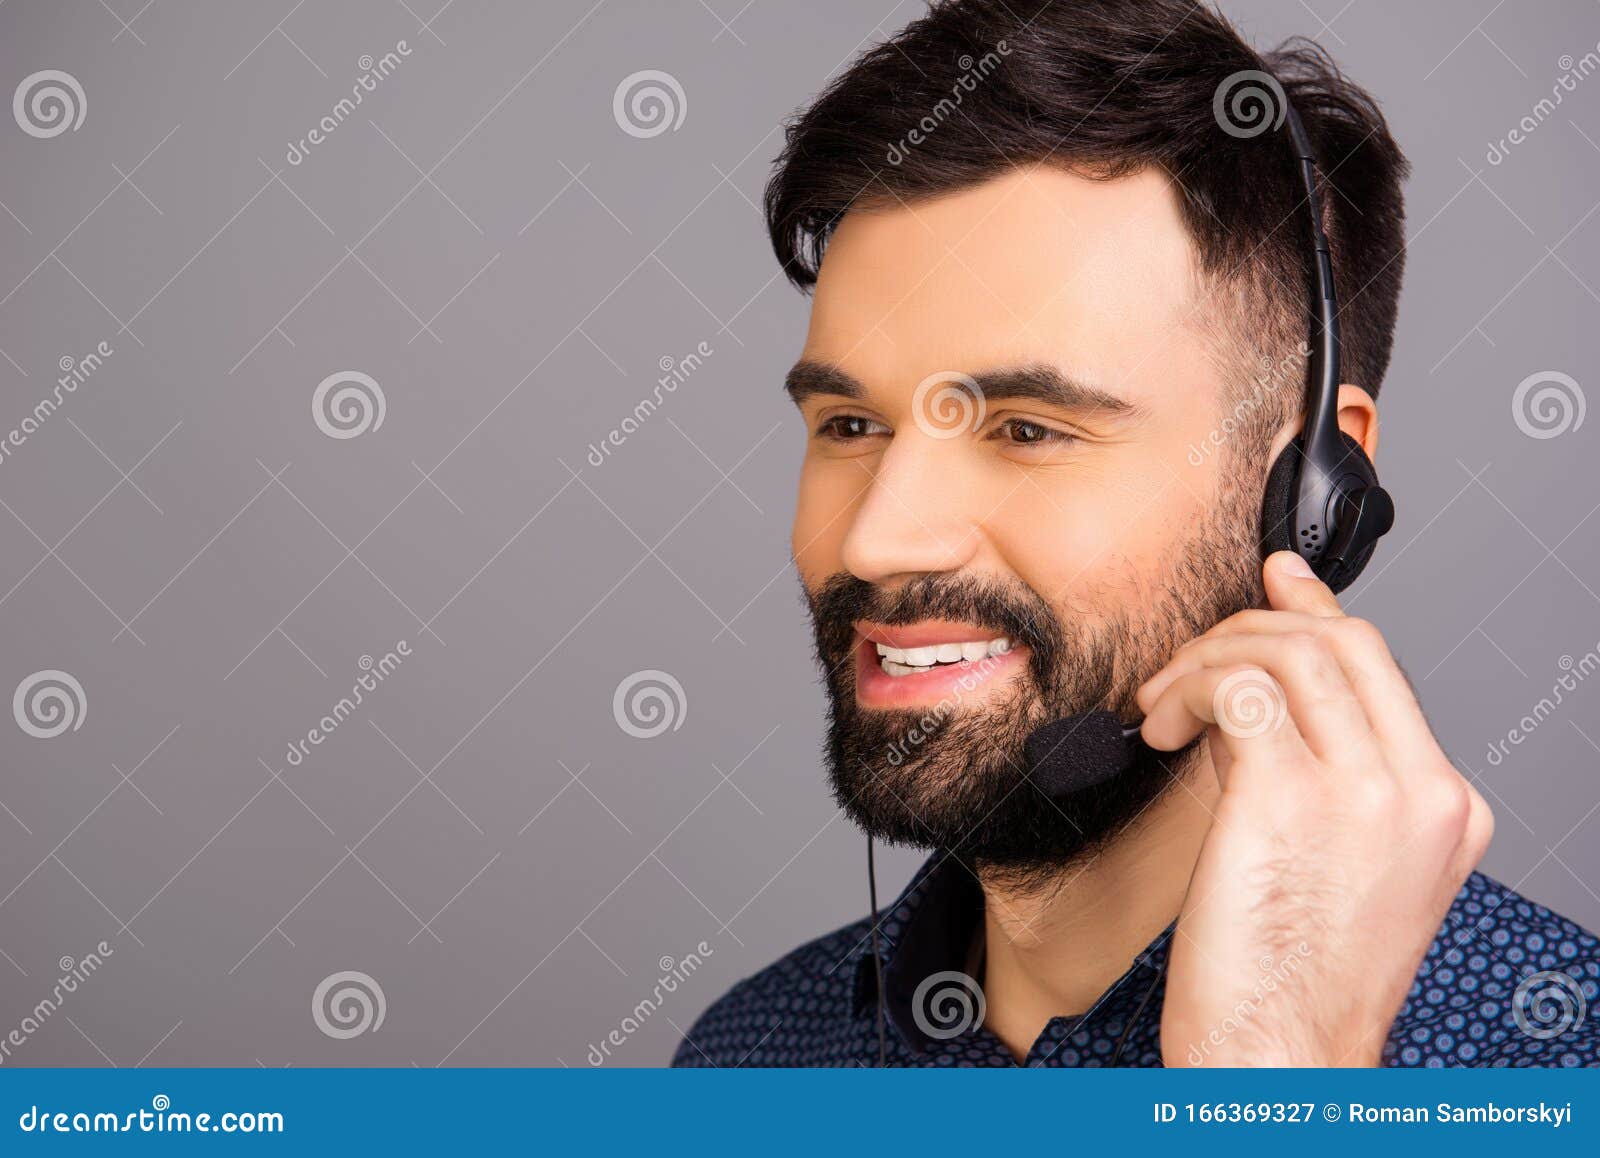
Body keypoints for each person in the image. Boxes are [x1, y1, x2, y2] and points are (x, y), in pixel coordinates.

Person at [671, 0, 1599, 1067]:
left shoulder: (1554, 1053)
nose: (879, 542)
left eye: (1026, 429)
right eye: (849, 426)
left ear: (1310, 490)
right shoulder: (745, 1054)